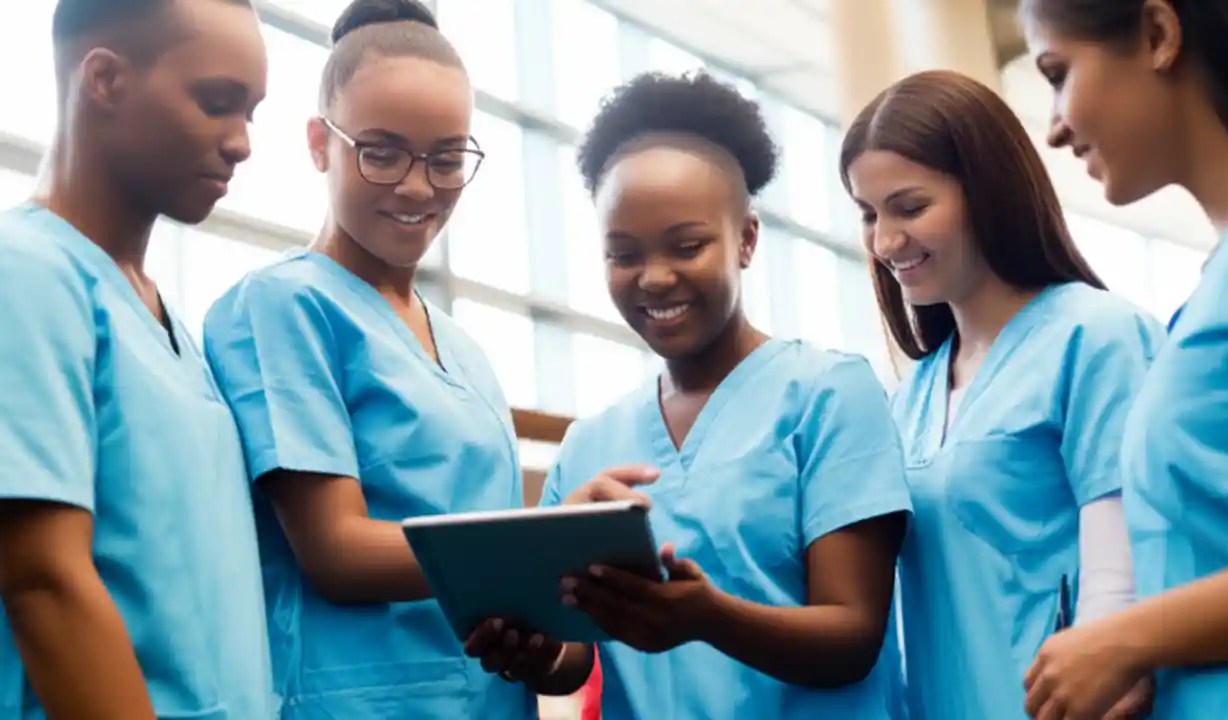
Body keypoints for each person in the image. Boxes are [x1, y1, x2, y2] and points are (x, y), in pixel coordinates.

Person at [466, 71, 913, 720]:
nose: (653, 277)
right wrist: (532, 651)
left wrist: (709, 619)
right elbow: (574, 661)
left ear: (747, 240)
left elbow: (854, 638)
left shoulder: (828, 396)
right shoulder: (589, 445)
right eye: (623, 253)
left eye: (687, 246)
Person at [201, 0, 551, 717]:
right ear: (318, 144)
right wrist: (542, 555)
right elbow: (337, 550)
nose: (418, 186)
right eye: (381, 152)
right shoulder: (284, 307)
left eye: (448, 158)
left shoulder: (465, 351)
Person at [839, 69, 1165, 720]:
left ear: (987, 191)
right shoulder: (911, 400)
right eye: (870, 214)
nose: (885, 241)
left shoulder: (1095, 338)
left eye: (910, 207)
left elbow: (1120, 579)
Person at [0, 0, 272, 717]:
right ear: (105, 80)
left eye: (251, 112)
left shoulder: (167, 323)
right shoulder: (23, 273)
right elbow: (41, 579)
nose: (242, 143)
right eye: (217, 103)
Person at [1019, 1, 1228, 718]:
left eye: (1057, 72)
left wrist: (1130, 639)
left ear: (1160, 35)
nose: (1054, 126)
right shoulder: (1208, 298)